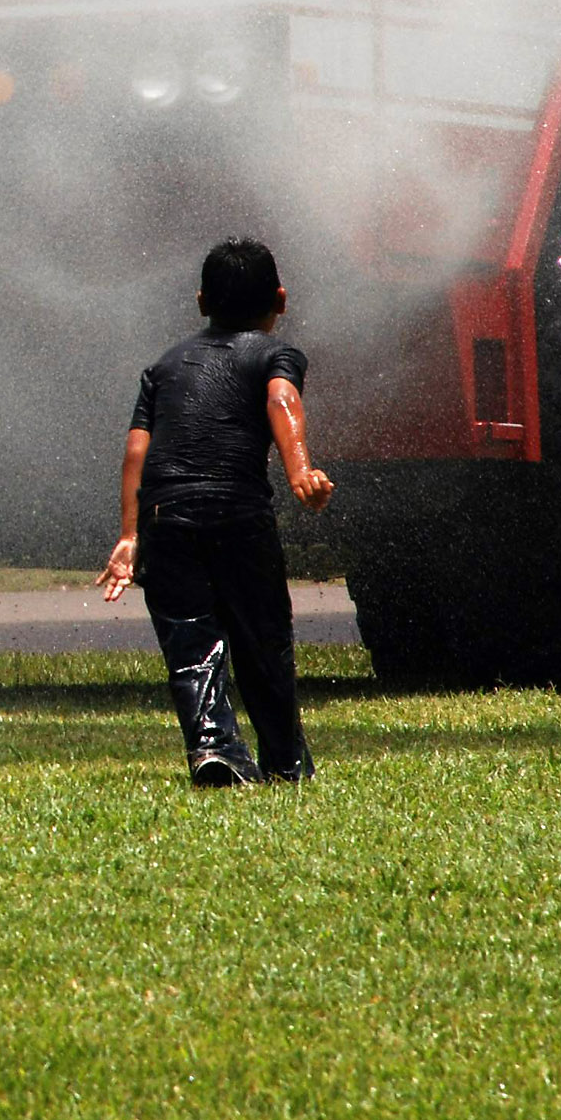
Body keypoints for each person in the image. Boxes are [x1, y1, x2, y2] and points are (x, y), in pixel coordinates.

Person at [98, 237, 334, 786]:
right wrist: (299, 468)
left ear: (201, 301)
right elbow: (282, 401)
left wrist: (130, 534)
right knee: (262, 639)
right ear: (281, 299)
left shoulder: (163, 366)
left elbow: (137, 448)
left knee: (190, 641)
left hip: (166, 517)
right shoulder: (276, 354)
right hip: (238, 512)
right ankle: (285, 762)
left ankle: (213, 746)